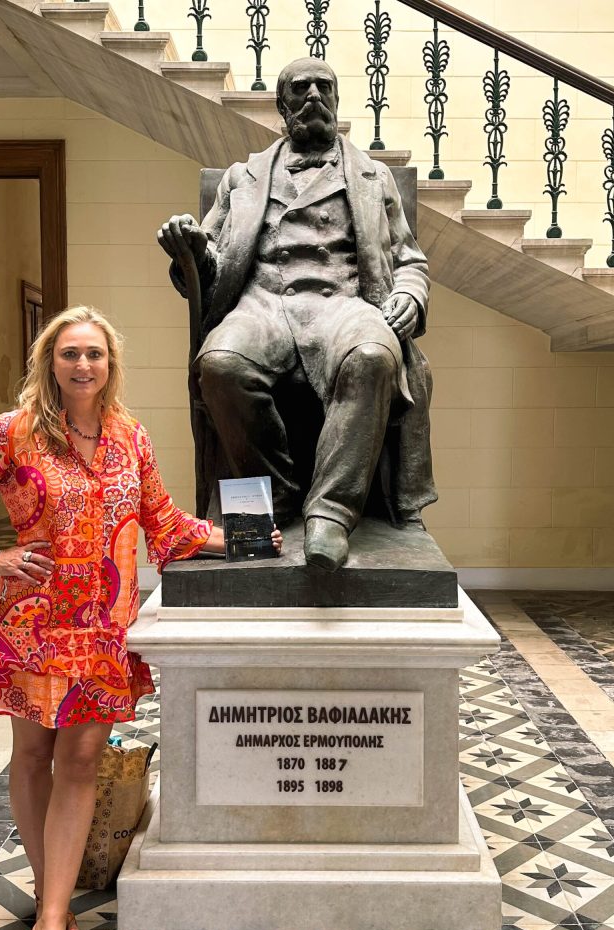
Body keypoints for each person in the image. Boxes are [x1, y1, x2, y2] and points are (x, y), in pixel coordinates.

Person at [0, 305, 281, 930]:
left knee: (78, 762)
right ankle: (53, 894)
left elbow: (165, 525)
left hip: (104, 629)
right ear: (51, 362)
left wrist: (252, 536)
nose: (83, 365)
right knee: (30, 757)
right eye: (71, 353)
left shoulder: (129, 438)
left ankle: (50, 922)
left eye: (95, 355)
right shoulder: (14, 435)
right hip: (34, 622)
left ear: (111, 365)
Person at [159, 57, 435, 573]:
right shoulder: (242, 179)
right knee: (219, 363)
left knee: (375, 356)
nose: (313, 94)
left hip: (344, 303)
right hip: (263, 303)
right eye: (299, 88)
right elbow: (210, 259)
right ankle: (276, 498)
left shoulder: (373, 177)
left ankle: (330, 512)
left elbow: (408, 260)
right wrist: (191, 248)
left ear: (336, 99)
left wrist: (411, 296)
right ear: (282, 106)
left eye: (323, 86)